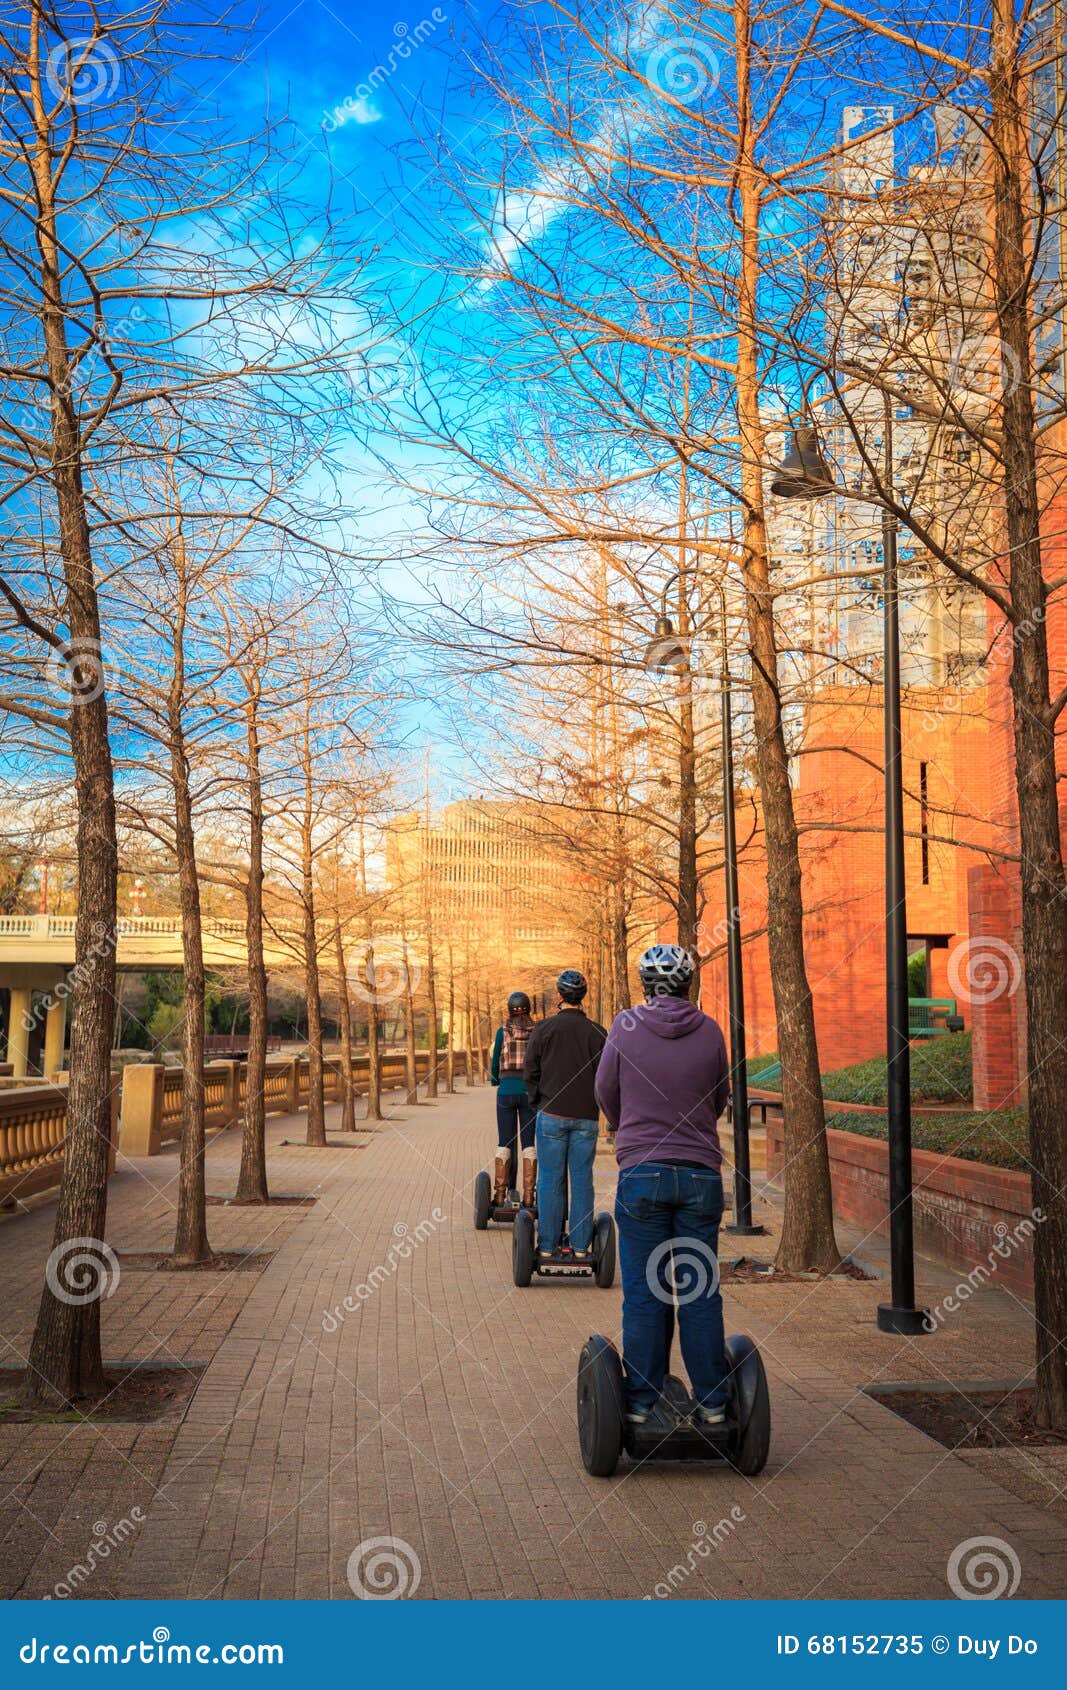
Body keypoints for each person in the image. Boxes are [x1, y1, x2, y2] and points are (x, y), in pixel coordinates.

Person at [595, 944, 730, 1428]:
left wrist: (626, 1128)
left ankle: (640, 1402)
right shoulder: (711, 1030)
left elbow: (604, 1090)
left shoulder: (625, 1026)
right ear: (688, 984)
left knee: (644, 1292)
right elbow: (719, 1096)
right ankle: (713, 1403)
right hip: (699, 1177)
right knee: (699, 1291)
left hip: (643, 1174)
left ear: (646, 985)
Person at [523, 969, 607, 1262]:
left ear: (559, 995)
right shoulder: (598, 1033)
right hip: (586, 1117)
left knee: (549, 1179)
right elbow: (606, 1078)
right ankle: (581, 1247)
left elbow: (530, 1071)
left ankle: (548, 1245)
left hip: (551, 1113)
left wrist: (537, 1102)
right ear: (583, 996)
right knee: (582, 1180)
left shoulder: (543, 1029)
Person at [489, 991, 537, 1207]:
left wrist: (495, 1079)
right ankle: (529, 1196)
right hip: (529, 1092)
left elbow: (495, 1061)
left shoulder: (503, 1031)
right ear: (528, 1008)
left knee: (505, 1142)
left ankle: (500, 1196)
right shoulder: (537, 1031)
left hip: (506, 1091)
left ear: (509, 1009)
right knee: (529, 1144)